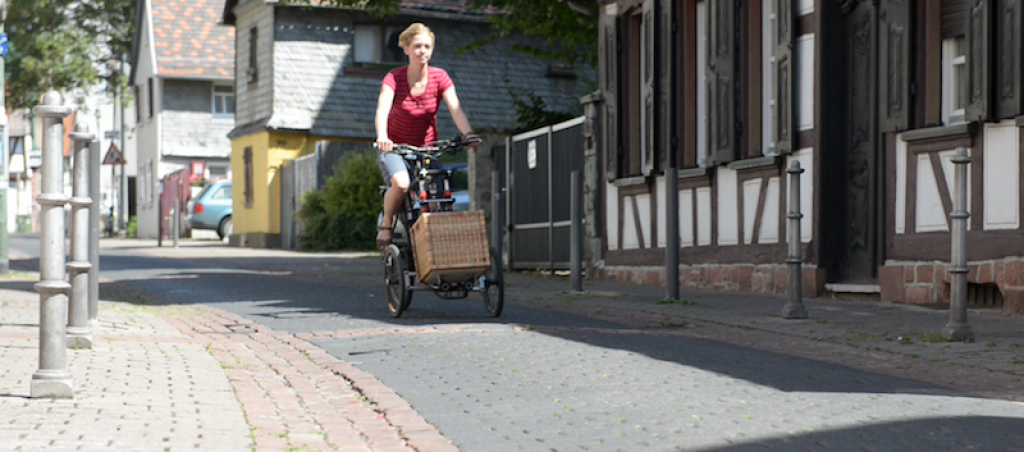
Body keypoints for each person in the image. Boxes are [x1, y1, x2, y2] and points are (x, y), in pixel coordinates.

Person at [375, 22, 479, 250]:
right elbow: (382, 109)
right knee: (401, 183)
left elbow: (456, 108)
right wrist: (383, 136)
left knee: (437, 200)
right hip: (395, 148)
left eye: (427, 46)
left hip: (427, 149)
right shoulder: (394, 78)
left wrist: (468, 134)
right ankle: (386, 224)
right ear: (406, 49)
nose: (422, 51)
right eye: (417, 46)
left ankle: (434, 249)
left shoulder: (440, 77)